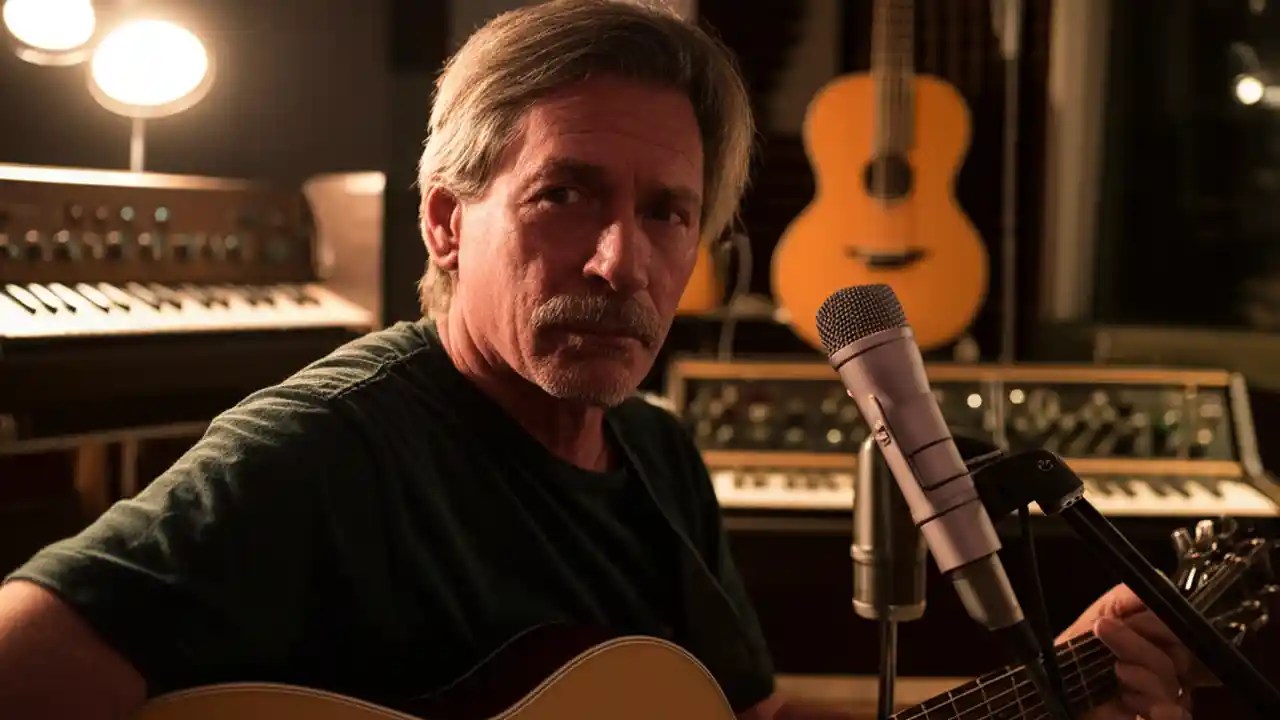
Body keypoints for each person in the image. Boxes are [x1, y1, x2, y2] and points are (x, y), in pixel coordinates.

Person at [0, 1, 1198, 718]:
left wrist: (1057, 682)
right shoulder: (323, 448)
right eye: (563, 193)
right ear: (445, 221)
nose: (621, 260)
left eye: (667, 212)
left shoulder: (658, 456)